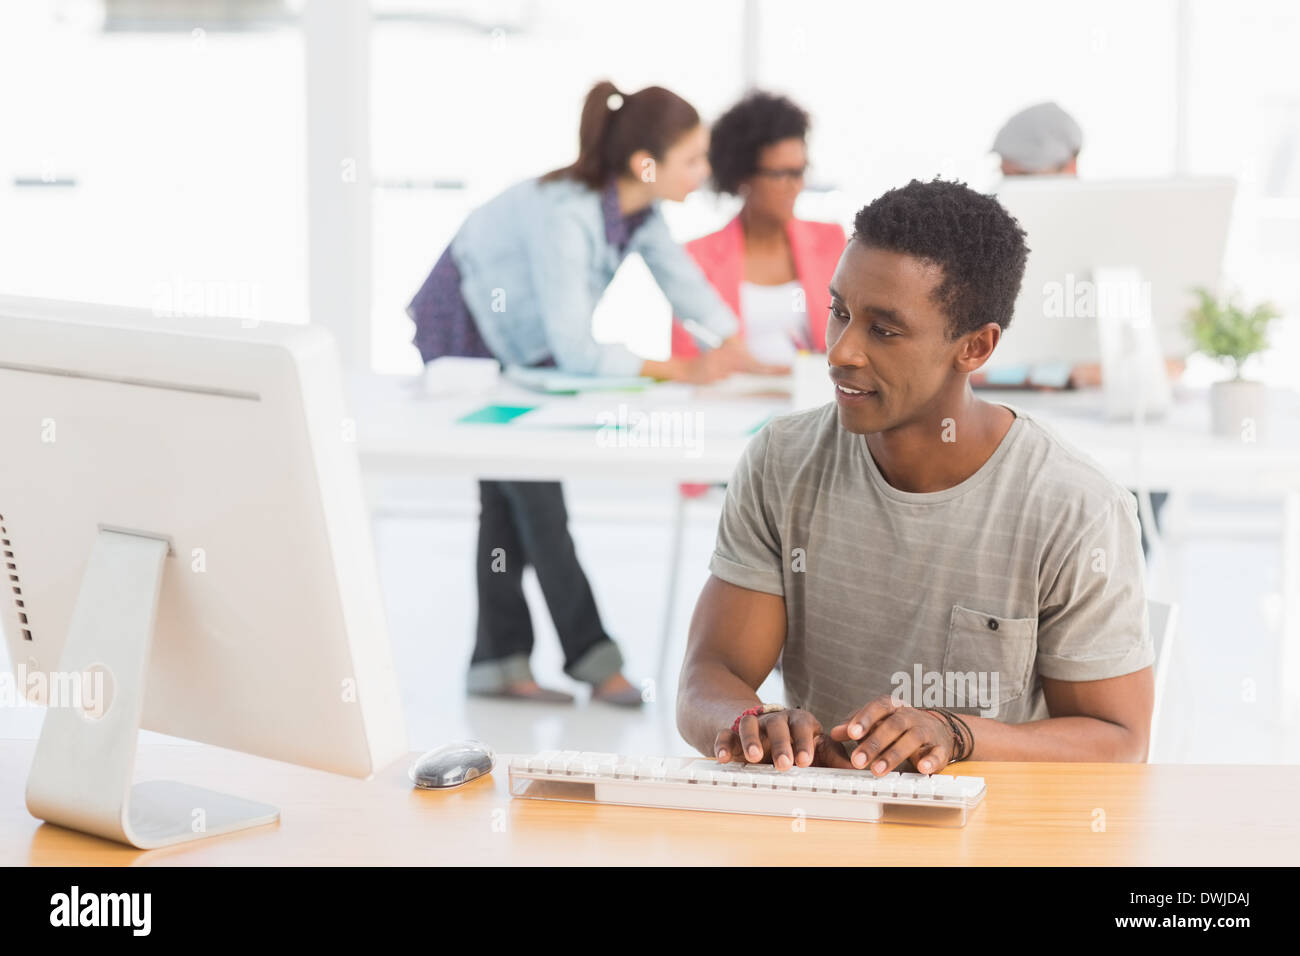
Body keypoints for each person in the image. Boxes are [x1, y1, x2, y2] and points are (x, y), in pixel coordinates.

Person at [677, 179, 1155, 774]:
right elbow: (710, 674)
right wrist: (750, 723)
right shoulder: (781, 460)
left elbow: (1118, 741)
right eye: (839, 313)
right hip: (821, 828)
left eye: (884, 330)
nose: (841, 352)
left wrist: (955, 735)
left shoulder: (1074, 506)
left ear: (975, 348)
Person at [407, 80, 770, 706]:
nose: (704, 172)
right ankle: (594, 660)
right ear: (644, 165)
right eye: (693, 159)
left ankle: (496, 662)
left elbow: (685, 286)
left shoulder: (639, 212)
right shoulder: (567, 214)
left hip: (524, 345)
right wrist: (679, 369)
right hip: (467, 325)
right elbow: (576, 351)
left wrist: (741, 351)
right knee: (535, 489)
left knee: (508, 496)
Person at [990, 100, 1174, 559]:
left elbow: (1171, 356)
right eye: (1008, 177)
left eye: (1028, 179)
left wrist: (1082, 373)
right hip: (1014, 418)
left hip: (1106, 421)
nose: (1015, 192)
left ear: (1070, 166)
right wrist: (1057, 373)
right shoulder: (985, 235)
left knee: (1120, 541)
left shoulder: (1120, 231)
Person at [670, 90, 846, 365]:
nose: (794, 185)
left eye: (798, 172)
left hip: (814, 398)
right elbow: (686, 358)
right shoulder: (696, 257)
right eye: (779, 174)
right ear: (742, 176)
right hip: (728, 402)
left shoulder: (831, 241)